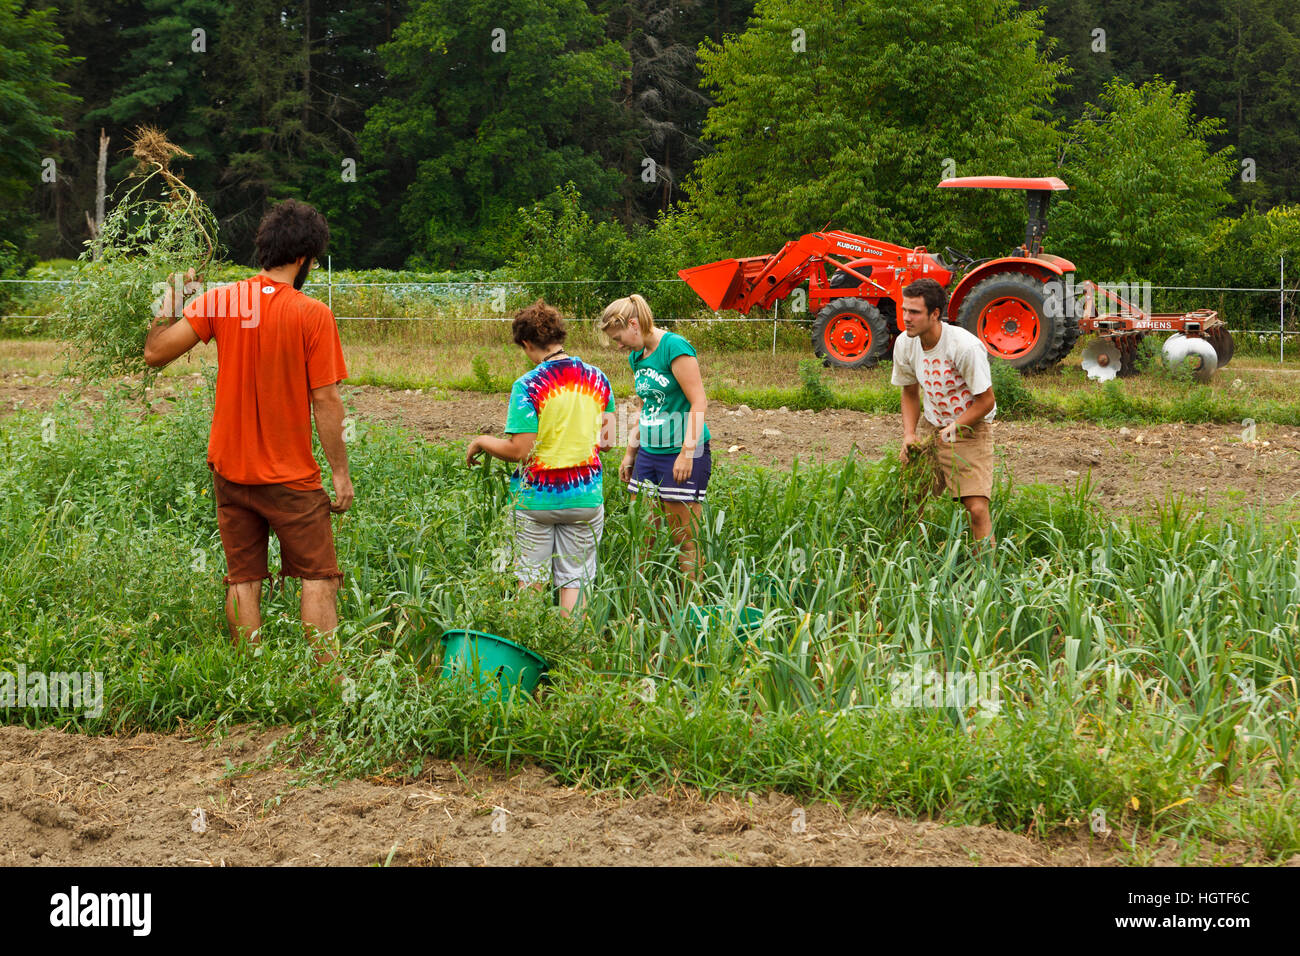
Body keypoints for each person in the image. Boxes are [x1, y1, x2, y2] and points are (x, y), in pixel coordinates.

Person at [143, 198, 353, 660]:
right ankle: (328, 680)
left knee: (243, 578)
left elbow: (155, 352)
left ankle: (248, 676)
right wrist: (340, 473)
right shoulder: (313, 314)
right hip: (291, 478)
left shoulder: (220, 301)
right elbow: (325, 399)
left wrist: (174, 294)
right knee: (319, 576)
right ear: (303, 258)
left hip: (230, 473)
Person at [467, 300, 615, 614]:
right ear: (559, 336)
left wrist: (482, 441)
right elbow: (607, 441)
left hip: (536, 501)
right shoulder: (599, 378)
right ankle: (571, 653)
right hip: (585, 498)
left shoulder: (528, 385)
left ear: (526, 343)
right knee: (575, 580)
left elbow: (520, 451)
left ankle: (528, 655)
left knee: (531, 578)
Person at [598, 293, 711, 579]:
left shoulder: (674, 347)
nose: (619, 345)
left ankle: (689, 609)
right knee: (642, 532)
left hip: (680, 451)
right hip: (649, 452)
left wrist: (687, 453)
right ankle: (640, 605)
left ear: (634, 324)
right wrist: (630, 453)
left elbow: (699, 402)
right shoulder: (637, 357)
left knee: (684, 537)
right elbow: (645, 406)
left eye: (619, 337)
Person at [891, 277, 997, 543]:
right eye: (905, 310)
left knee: (976, 508)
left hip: (970, 426)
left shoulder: (964, 346)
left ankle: (986, 575)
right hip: (932, 424)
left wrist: (955, 427)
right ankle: (908, 563)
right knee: (910, 498)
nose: (906, 317)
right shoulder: (905, 343)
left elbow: (986, 401)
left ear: (935, 314)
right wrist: (909, 434)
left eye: (914, 312)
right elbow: (909, 391)